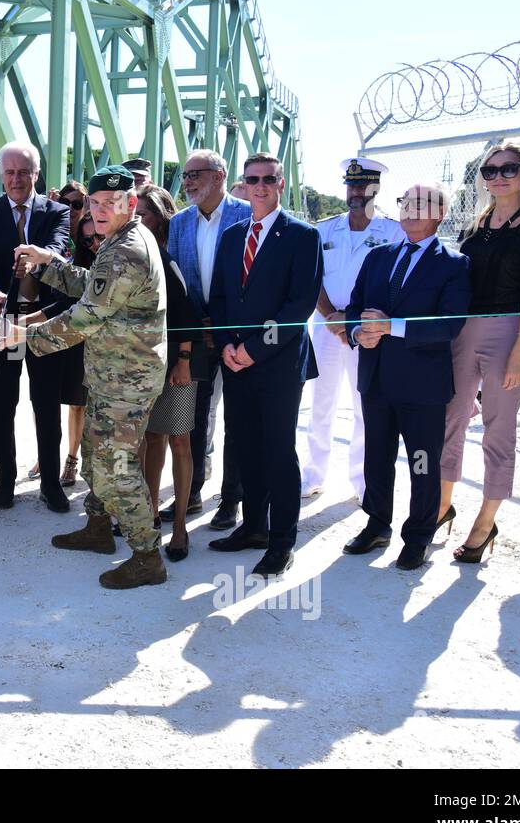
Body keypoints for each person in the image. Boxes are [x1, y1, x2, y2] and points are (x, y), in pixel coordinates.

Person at [7, 165, 168, 589]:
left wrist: (24, 338)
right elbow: (92, 284)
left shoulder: (127, 249)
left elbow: (86, 316)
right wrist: (48, 264)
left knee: (117, 467)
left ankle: (148, 556)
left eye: (109, 204)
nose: (97, 211)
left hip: (127, 380)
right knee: (99, 455)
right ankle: (98, 529)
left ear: (130, 204)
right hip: (112, 374)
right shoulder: (121, 240)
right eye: (93, 203)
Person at [343, 185, 471, 570]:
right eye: (406, 203)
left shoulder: (454, 264)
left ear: (440, 214)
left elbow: (448, 325)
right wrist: (356, 332)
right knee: (376, 456)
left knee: (421, 462)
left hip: (422, 386)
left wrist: (388, 327)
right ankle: (377, 522)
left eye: (422, 204)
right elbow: (355, 305)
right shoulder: (379, 257)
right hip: (377, 377)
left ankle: (418, 536)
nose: (411, 210)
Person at [207, 152, 323, 577]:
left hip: (276, 364)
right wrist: (225, 345)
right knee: (246, 446)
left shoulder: (302, 236)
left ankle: (282, 541)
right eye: (252, 178)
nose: (260, 186)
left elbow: (299, 306)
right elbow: (219, 297)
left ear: (280, 183)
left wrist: (254, 348)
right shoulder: (234, 234)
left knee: (277, 450)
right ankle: (253, 527)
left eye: (268, 179)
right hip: (235, 361)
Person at [440, 143, 520, 564]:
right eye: (490, 170)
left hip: (508, 333)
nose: (498, 177)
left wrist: (518, 352)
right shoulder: (473, 229)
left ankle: (486, 523)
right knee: (451, 418)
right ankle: (441, 505)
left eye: (508, 169)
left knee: (498, 430)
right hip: (463, 332)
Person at [0, 140, 72, 512]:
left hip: (45, 321)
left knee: (46, 405)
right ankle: (6, 477)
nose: (15, 179)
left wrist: (38, 262)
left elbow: (60, 247)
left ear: (36, 174)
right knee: (1, 404)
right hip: (2, 322)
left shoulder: (57, 211)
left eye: (23, 172)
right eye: (9, 172)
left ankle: (50, 483)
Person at [303, 157, 404, 502]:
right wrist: (333, 316)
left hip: (368, 330)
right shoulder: (325, 229)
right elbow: (312, 277)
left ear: (377, 188)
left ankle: (362, 482)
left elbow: (393, 283)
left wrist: (355, 320)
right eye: (351, 185)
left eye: (363, 186)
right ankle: (313, 474)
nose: (356, 192)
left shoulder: (393, 231)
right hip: (327, 327)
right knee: (321, 402)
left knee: (365, 407)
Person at [165, 149, 251, 528]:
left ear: (219, 176)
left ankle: (232, 499)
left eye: (194, 174)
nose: (187, 181)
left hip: (237, 337)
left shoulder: (247, 215)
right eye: (184, 175)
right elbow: (177, 279)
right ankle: (192, 492)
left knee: (238, 418)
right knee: (193, 419)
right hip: (196, 336)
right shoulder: (179, 222)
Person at [136, 184, 200, 561]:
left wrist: (185, 359)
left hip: (179, 362)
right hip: (149, 363)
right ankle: (149, 519)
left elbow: (186, 312)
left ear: (159, 219)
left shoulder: (165, 257)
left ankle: (179, 527)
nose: (136, 220)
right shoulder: (139, 255)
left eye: (143, 213)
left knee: (179, 441)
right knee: (154, 441)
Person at [56, 180, 91, 487]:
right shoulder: (49, 230)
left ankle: (72, 459)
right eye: (66, 203)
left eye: (78, 204)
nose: (71, 209)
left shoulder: (92, 239)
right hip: (53, 325)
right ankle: (47, 456)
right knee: (49, 396)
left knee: (78, 401)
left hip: (82, 330)